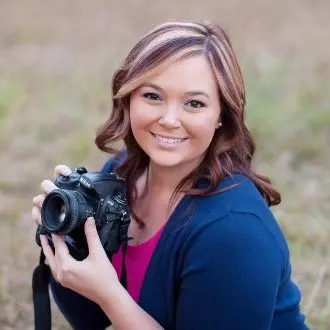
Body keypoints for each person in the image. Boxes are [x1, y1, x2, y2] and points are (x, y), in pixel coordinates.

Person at [31, 21, 309, 330]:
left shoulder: (235, 232)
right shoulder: (121, 177)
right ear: (128, 97)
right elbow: (92, 321)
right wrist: (68, 241)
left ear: (221, 115)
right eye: (152, 96)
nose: (169, 119)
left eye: (194, 103)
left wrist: (110, 295)